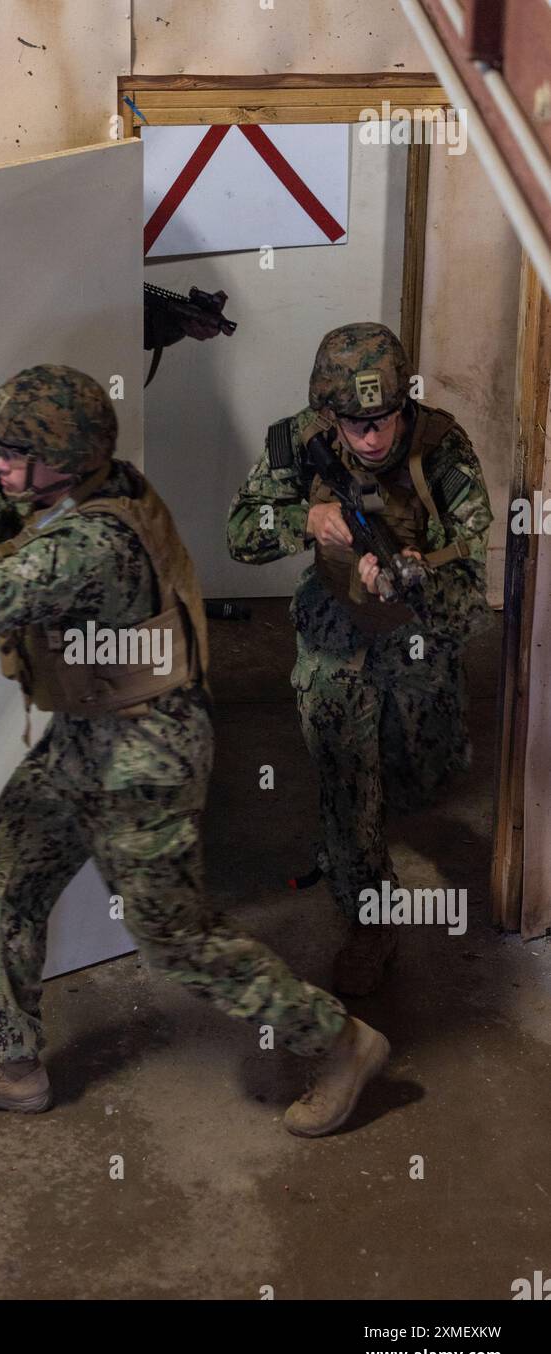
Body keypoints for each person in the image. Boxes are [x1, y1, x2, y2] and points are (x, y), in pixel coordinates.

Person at [0, 363, 389, 1137]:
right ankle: (12, 1067)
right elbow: (17, 526)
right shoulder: (105, 484)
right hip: (86, 733)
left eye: (14, 455)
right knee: (0, 884)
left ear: (64, 459)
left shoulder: (94, 542)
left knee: (178, 939)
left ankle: (342, 1044)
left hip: (147, 759)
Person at [227, 324, 493, 995]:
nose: (372, 437)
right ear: (329, 413)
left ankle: (379, 805)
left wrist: (417, 576)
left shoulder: (441, 445)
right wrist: (303, 524)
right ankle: (367, 916)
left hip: (418, 622)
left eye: (385, 418)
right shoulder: (298, 440)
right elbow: (239, 536)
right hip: (334, 625)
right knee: (348, 776)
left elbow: (472, 576)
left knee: (428, 766)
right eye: (356, 423)